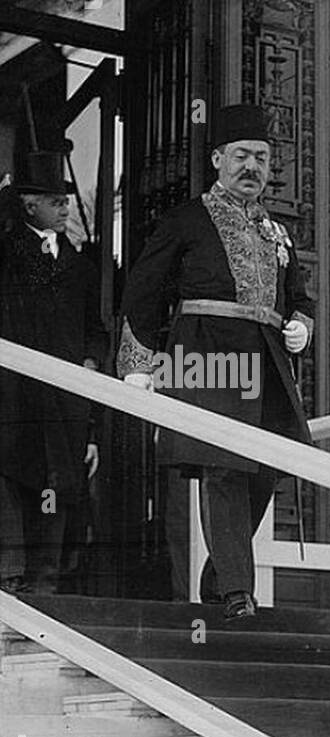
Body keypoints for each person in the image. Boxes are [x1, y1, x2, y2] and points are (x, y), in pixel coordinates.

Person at [116, 103, 314, 620]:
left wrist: (301, 324)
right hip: (203, 352)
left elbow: (301, 298)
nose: (253, 167)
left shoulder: (278, 231)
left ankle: (218, 579)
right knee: (223, 467)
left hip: (267, 360)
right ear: (218, 160)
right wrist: (140, 363)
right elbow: (143, 289)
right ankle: (236, 593)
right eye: (242, 156)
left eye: (263, 159)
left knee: (267, 467)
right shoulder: (185, 220)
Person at [0, 151, 107, 594]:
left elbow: (94, 329)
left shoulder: (78, 263)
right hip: (13, 391)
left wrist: (91, 363)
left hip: (64, 396)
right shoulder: (8, 251)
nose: (65, 208)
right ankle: (10, 576)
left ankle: (46, 580)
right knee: (10, 476)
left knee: (59, 483)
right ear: (29, 205)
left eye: (66, 201)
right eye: (54, 201)